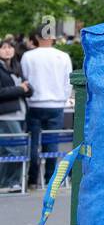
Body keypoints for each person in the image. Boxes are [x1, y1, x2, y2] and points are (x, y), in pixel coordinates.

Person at [20, 28, 72, 188]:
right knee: (52, 143)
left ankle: (32, 180)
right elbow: (68, 82)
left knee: (34, 142)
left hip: (35, 103)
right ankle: (50, 178)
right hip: (56, 104)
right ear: (53, 37)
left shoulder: (28, 56)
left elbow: (25, 79)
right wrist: (63, 98)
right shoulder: (63, 56)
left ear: (36, 37)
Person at [0, 39, 32, 192]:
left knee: (7, 150)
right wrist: (20, 89)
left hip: (20, 114)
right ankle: (12, 183)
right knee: (17, 149)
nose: (8, 50)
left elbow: (27, 89)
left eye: (10, 47)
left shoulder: (15, 67)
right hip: (6, 116)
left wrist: (26, 88)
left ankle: (5, 183)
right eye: (4, 48)